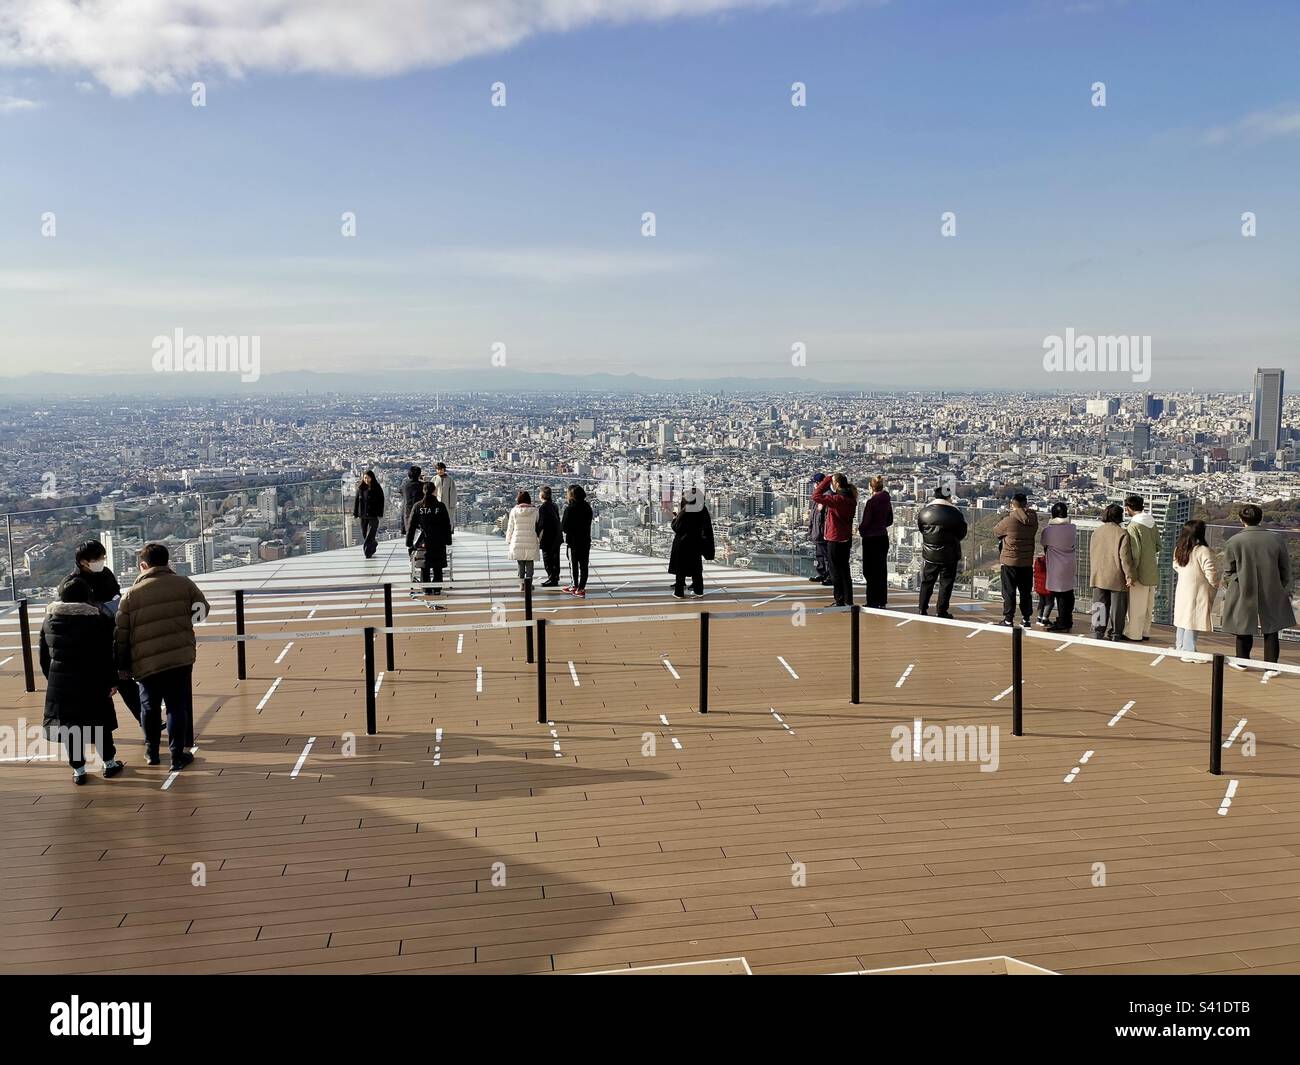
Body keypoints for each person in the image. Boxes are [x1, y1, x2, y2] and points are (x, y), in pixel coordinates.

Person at [114, 543, 210, 772]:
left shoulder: (131, 595)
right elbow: (201, 611)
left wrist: (122, 665)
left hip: (146, 661)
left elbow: (121, 634)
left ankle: (152, 752)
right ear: (168, 562)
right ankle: (177, 756)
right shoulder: (184, 584)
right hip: (180, 656)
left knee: (149, 707)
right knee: (177, 707)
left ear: (143, 565)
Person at [40, 577, 124, 785]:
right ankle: (109, 763)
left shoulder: (49, 620)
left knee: (70, 726)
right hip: (93, 680)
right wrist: (112, 681)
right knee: (100, 722)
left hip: (61, 684)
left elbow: (43, 656)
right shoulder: (97, 619)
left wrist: (52, 679)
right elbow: (106, 654)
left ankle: (79, 770)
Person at [68, 539, 142, 724]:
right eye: (98, 558)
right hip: (91, 641)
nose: (101, 561)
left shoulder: (105, 573)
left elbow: (116, 593)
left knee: (125, 680)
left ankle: (148, 721)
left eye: (102, 557)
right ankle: (95, 728)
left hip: (114, 633)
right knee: (97, 688)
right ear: (84, 561)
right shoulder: (73, 583)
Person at [1221, 504, 1295, 668]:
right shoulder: (1276, 538)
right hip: (1272, 587)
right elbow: (1285, 568)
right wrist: (1280, 586)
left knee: (1243, 625)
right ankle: (1271, 665)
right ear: (1260, 518)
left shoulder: (1234, 541)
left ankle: (1242, 661)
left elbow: (1228, 570)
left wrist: (1232, 585)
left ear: (1241, 520)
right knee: (1272, 626)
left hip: (1243, 587)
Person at [916, 482, 967, 619]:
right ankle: (941, 610)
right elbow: (962, 533)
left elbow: (922, 529)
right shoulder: (955, 513)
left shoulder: (924, 512)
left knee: (927, 581)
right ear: (948, 497)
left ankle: (922, 608)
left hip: (930, 553)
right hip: (949, 553)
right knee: (946, 583)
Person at [1172, 518, 1219, 662]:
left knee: (1183, 618)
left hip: (1183, 587)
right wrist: (1214, 584)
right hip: (1199, 589)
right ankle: (1189, 651)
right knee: (1194, 619)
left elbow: (1175, 565)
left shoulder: (1180, 548)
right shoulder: (1203, 550)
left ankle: (1180, 647)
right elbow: (1210, 571)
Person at [993, 493, 1039, 627]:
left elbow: (996, 531)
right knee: (1025, 592)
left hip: (1009, 562)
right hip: (1026, 561)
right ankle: (1026, 619)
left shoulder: (1009, 520)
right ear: (1026, 504)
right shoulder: (1033, 520)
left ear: (1013, 504)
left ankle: (1008, 619)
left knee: (1009, 592)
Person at [1088, 504, 1133, 640]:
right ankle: (1115, 633)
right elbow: (1125, 557)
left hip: (1098, 573)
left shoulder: (1097, 532)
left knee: (1099, 605)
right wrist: (1129, 575)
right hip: (1116, 574)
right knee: (1117, 608)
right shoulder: (1122, 533)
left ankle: (1098, 631)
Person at [812, 473, 857, 607]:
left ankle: (839, 600)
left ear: (836, 484)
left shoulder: (837, 499)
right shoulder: (851, 499)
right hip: (846, 538)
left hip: (834, 538)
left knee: (834, 570)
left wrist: (826, 480)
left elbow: (815, 496)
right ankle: (848, 599)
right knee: (845, 569)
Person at [1122, 494, 1160, 641]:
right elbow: (1158, 545)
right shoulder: (1152, 522)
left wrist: (1131, 575)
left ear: (1128, 508)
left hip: (1140, 570)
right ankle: (1145, 632)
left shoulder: (1134, 526)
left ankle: (1134, 634)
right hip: (1151, 568)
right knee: (1148, 605)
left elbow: (1135, 553)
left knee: (1136, 605)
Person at [405, 482, 452, 598]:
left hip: (423, 541)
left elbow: (411, 526)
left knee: (424, 566)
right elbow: (447, 525)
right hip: (438, 540)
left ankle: (426, 589)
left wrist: (409, 543)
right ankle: (437, 589)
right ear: (434, 491)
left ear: (423, 491)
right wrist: (448, 540)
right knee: (437, 566)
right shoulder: (440, 506)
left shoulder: (418, 506)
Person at [668, 489, 715, 598]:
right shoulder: (703, 509)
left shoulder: (686, 511)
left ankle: (678, 592)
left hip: (683, 543)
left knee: (680, 568)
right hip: (697, 542)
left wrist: (675, 518)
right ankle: (699, 590)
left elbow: (677, 527)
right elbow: (707, 527)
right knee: (696, 568)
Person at [1041, 502, 1077, 632]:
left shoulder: (1048, 531)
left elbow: (1044, 544)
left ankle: (1063, 622)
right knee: (1068, 593)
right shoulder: (1072, 528)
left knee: (1060, 594)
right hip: (1070, 564)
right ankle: (1067, 619)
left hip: (1056, 566)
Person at [858, 475, 893, 608]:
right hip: (883, 537)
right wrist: (881, 525)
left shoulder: (871, 502)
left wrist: (861, 530)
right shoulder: (887, 501)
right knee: (881, 570)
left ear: (871, 487)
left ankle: (872, 600)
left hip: (871, 539)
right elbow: (890, 520)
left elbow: (866, 522)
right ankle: (882, 601)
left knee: (870, 571)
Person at [561, 484, 593, 598]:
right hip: (585, 540)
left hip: (573, 541)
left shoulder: (569, 509)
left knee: (573, 564)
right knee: (584, 565)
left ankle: (574, 585)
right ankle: (581, 588)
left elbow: (564, 526)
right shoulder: (588, 507)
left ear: (572, 496)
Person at [506, 491, 540, 589]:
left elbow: (510, 526)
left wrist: (508, 539)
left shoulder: (514, 511)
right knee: (529, 563)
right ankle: (529, 584)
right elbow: (538, 525)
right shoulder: (535, 511)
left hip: (517, 539)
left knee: (520, 564)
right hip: (531, 538)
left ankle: (521, 584)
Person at [353, 470, 385, 560]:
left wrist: (380, 513)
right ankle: (373, 544)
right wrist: (355, 513)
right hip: (362, 514)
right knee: (364, 534)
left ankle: (367, 552)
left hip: (373, 514)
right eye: (365, 478)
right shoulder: (360, 488)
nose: (366, 479)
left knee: (370, 534)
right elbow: (356, 501)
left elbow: (381, 501)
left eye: (368, 478)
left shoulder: (377, 487)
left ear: (372, 478)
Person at [806, 473, 831, 586]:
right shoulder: (820, 495)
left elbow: (825, 516)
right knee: (820, 554)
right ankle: (822, 573)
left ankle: (829, 575)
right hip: (818, 531)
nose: (815, 486)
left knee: (826, 555)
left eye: (815, 483)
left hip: (823, 531)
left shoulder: (826, 495)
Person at [537, 486, 562, 587]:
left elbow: (541, 524)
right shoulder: (554, 505)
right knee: (556, 558)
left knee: (547, 558)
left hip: (548, 537)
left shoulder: (542, 508)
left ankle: (552, 578)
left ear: (542, 496)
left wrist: (537, 533)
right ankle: (555, 577)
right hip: (557, 536)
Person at [399, 465, 423, 536]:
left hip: (408, 510)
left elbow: (401, 492)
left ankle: (410, 546)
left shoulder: (405, 485)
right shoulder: (422, 485)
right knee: (419, 532)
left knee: (410, 532)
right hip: (420, 511)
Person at [1033, 554, 1054, 628]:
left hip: (1039, 586)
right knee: (1050, 603)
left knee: (1042, 601)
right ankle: (1044, 619)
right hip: (1048, 585)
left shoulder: (1039, 561)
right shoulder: (1051, 561)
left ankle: (1039, 618)